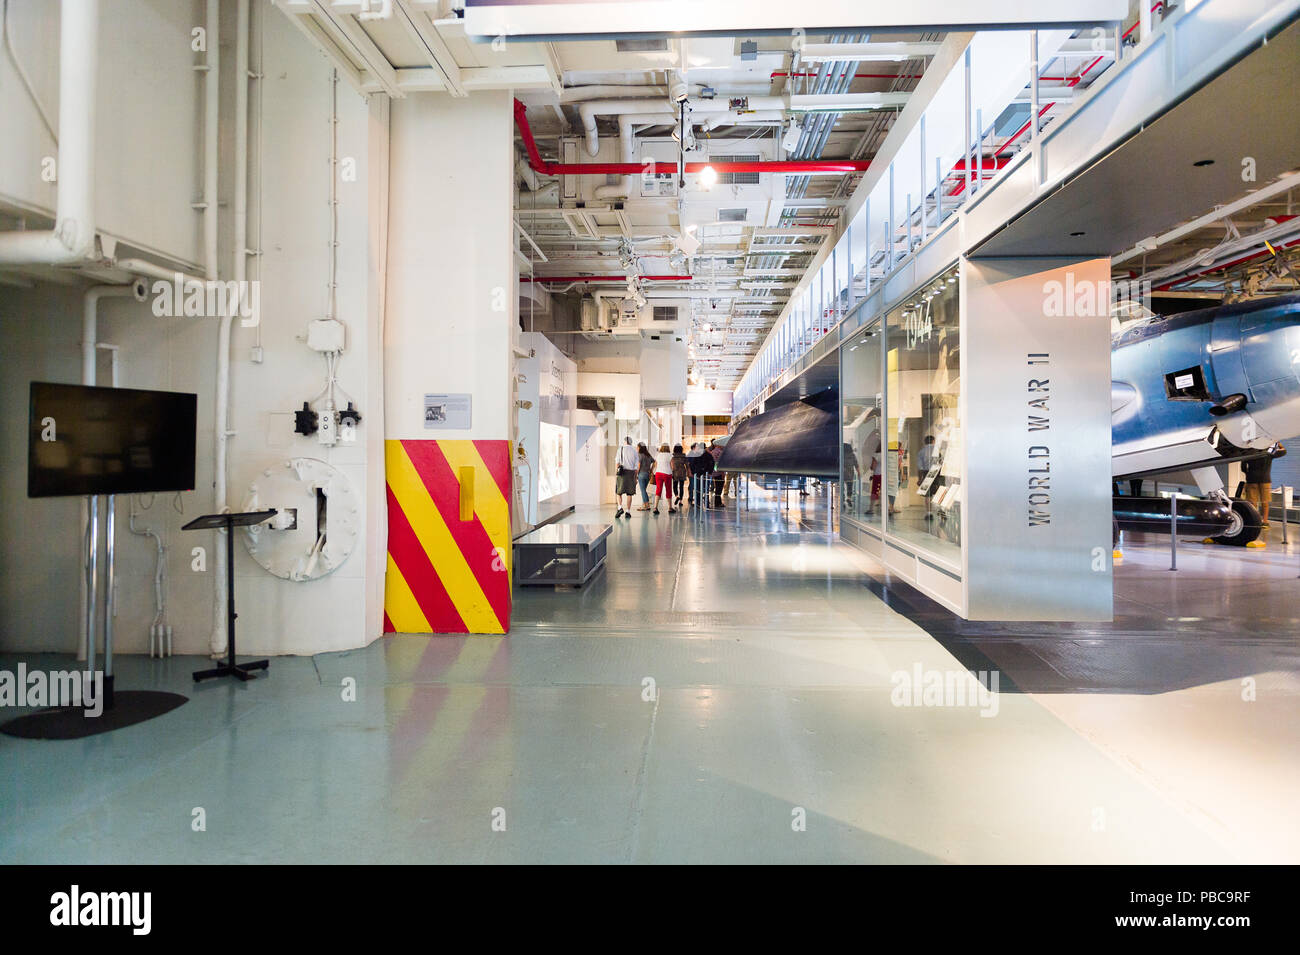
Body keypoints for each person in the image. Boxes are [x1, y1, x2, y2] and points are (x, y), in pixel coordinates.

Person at [1243, 443, 1285, 528]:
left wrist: (1248, 474)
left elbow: (1243, 466)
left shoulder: (1249, 452)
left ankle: (1253, 521)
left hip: (1251, 479)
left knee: (1252, 502)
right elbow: (1283, 451)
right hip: (1265, 479)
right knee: (1265, 502)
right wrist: (1278, 443)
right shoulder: (1268, 452)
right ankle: (1265, 522)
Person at [614, 436, 638, 519]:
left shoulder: (620, 449)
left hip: (621, 473)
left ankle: (620, 508)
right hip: (631, 473)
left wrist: (616, 473)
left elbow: (617, 462)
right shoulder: (635, 451)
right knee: (629, 493)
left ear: (624, 442)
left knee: (618, 492)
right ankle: (628, 512)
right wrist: (636, 477)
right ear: (631, 442)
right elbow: (636, 466)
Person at [652, 443, 675, 514]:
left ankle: (655, 507)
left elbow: (655, 465)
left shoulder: (658, 455)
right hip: (667, 474)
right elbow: (673, 467)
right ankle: (670, 508)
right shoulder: (670, 455)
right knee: (668, 490)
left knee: (658, 489)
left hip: (658, 474)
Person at [685, 442, 704, 507]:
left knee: (696, 486)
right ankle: (690, 497)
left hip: (697, 473)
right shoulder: (690, 454)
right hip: (692, 473)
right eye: (697, 446)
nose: (698, 447)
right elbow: (688, 465)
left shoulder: (698, 454)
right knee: (692, 485)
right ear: (693, 448)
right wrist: (689, 472)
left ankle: (695, 499)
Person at [636, 442, 654, 511]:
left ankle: (646, 506)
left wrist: (636, 475)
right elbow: (654, 462)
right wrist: (651, 470)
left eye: (637, 447)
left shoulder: (639, 455)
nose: (636, 448)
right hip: (647, 475)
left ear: (640, 448)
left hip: (641, 474)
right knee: (645, 490)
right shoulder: (648, 455)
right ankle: (645, 504)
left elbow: (639, 466)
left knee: (643, 491)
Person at [670, 444, 688, 509]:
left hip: (675, 472)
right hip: (682, 472)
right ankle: (680, 501)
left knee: (675, 485)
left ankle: (677, 496)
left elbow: (671, 465)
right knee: (681, 487)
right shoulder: (684, 456)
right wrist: (688, 472)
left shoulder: (673, 457)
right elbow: (687, 465)